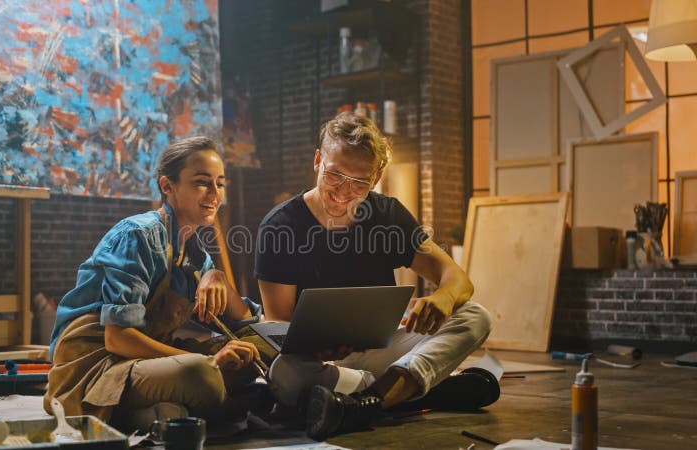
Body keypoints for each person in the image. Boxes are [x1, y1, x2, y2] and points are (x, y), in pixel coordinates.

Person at [254, 112, 497, 440]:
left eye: (360, 182)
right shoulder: (280, 226)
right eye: (334, 175)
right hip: (319, 362)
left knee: (474, 316)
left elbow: (456, 277)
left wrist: (442, 297)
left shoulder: (387, 214)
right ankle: (412, 390)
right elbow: (278, 321)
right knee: (284, 375)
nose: (344, 191)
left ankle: (365, 403)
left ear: (377, 176)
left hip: (380, 348)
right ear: (317, 161)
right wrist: (316, 348)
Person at [44, 136, 262, 430]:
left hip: (144, 361)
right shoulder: (139, 235)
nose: (215, 194)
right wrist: (207, 362)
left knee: (250, 355)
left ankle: (168, 415)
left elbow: (243, 320)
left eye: (220, 184)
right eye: (202, 182)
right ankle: (147, 415)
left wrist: (216, 276)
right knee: (202, 374)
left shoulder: (195, 252)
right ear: (167, 186)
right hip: (99, 365)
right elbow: (117, 338)